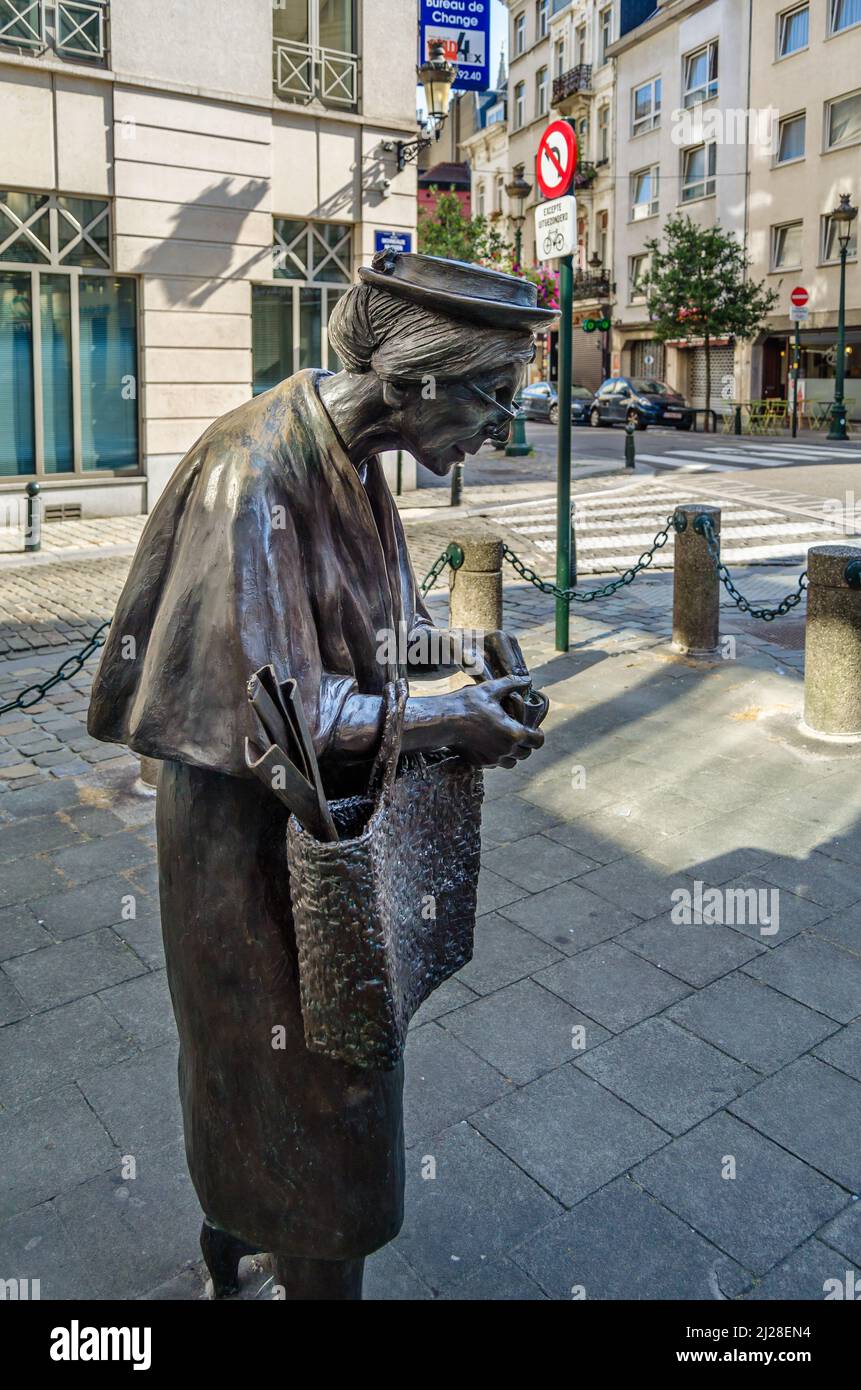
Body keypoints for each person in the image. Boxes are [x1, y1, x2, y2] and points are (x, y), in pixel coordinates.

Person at [87, 252, 558, 1300]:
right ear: (419, 380)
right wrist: (444, 721)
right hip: (247, 856)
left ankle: (237, 1245)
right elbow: (273, 712)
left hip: (305, 832)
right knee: (311, 1098)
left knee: (289, 1083)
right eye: (495, 396)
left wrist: (465, 662)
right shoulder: (256, 471)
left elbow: (376, 641)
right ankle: (285, 1254)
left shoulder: (350, 460)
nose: (503, 427)